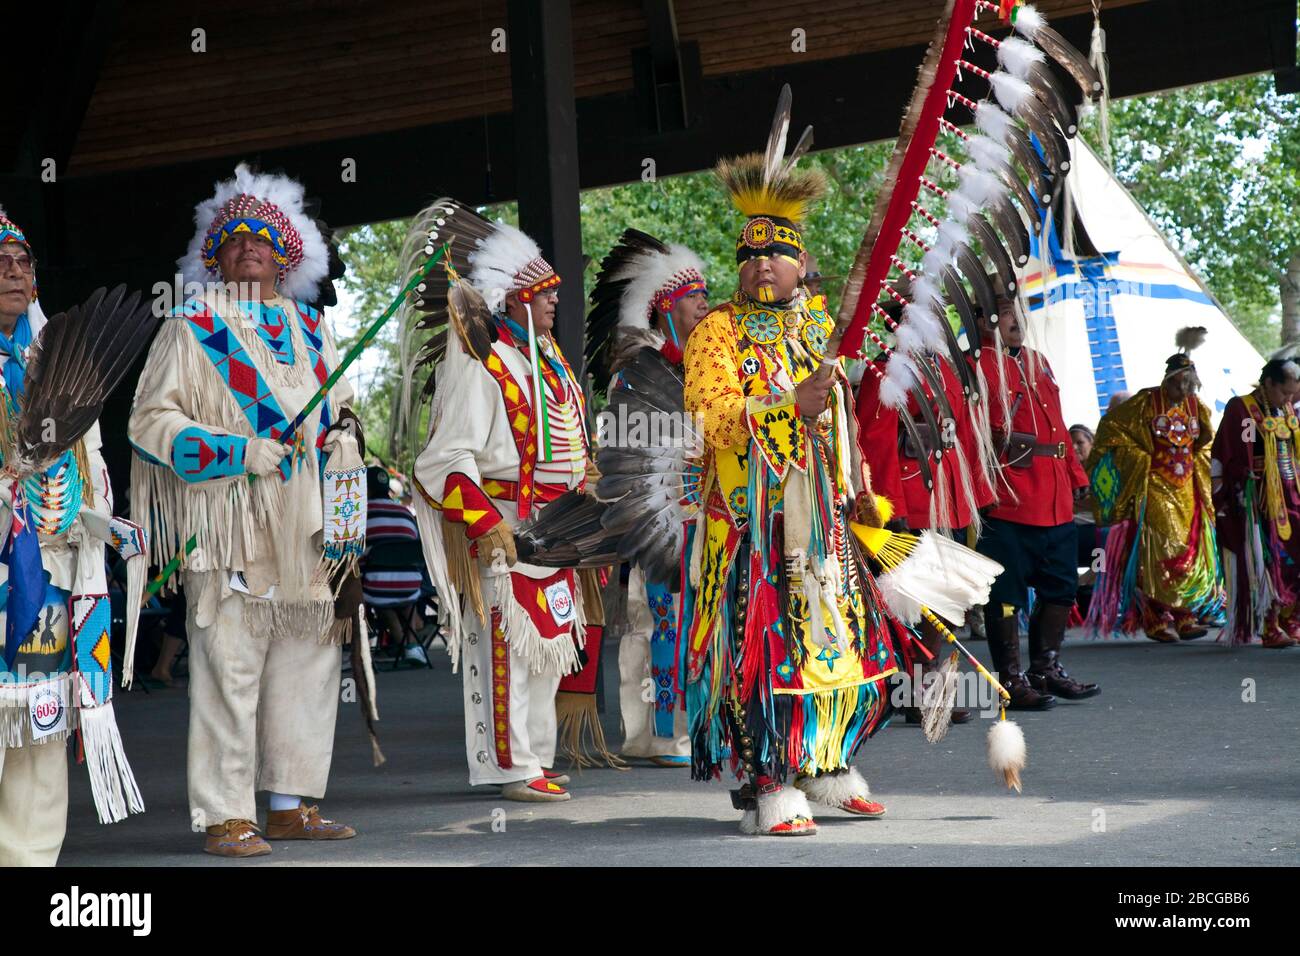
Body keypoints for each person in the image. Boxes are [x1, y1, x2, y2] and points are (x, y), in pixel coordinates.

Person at [680, 102, 902, 836]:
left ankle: (829, 765)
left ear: (800, 260)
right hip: (752, 527)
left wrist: (860, 489)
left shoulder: (814, 329)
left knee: (843, 639)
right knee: (763, 649)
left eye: (776, 254)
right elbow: (712, 417)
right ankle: (772, 781)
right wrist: (786, 404)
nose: (763, 265)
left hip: (824, 520)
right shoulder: (716, 331)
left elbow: (841, 418)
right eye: (750, 255)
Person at [129, 165, 363, 857]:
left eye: (265, 237)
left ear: (288, 255)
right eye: (235, 237)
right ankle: (226, 814)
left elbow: (342, 414)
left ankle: (290, 803)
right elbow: (149, 423)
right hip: (232, 528)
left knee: (309, 666)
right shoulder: (189, 328)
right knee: (230, 669)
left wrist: (346, 438)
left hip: (309, 526)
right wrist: (236, 452)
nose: (250, 244)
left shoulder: (314, 332)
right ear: (215, 253)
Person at [411, 202, 595, 802]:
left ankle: (537, 755)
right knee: (507, 648)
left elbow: (567, 438)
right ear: (514, 298)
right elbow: (443, 459)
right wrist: (486, 523)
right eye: (543, 293)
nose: (552, 303)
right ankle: (509, 765)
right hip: (505, 524)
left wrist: (586, 473)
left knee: (546, 646)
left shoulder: (553, 360)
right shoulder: (479, 361)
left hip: (557, 525)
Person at [0, 205, 146, 865]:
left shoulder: (54, 361)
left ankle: (30, 861)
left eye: (23, 262)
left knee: (36, 724)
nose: (13, 271)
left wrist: (100, 516)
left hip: (51, 577)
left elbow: (90, 463)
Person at [585, 228, 710, 767]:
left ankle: (674, 730)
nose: (705, 306)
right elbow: (622, 447)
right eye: (694, 299)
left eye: (706, 296)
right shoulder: (636, 373)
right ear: (665, 308)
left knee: (689, 618)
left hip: (702, 511)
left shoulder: (706, 363)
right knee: (654, 619)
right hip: (656, 513)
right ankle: (659, 735)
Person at [855, 293, 994, 725]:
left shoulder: (946, 370)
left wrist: (970, 496)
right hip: (907, 500)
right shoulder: (884, 369)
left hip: (945, 501)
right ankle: (909, 691)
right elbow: (872, 438)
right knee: (907, 600)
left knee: (943, 599)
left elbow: (966, 435)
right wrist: (886, 503)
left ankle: (935, 690)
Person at [970, 291, 1099, 708]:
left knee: (1061, 587)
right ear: (986, 319)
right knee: (1005, 595)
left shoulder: (1037, 360)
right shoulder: (976, 364)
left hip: (1055, 494)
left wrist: (1076, 473)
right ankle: (1010, 679)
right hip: (1008, 494)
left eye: (1019, 313)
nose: (1016, 321)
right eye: (1006, 313)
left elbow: (1058, 424)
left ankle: (1046, 668)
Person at [1086, 342, 1221, 642]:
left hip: (1187, 490)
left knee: (1188, 548)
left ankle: (1185, 615)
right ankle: (1154, 616)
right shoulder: (1145, 403)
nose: (1186, 391)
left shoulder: (1197, 407)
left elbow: (1206, 441)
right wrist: (1141, 460)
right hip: (1155, 487)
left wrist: (1200, 470)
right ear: (1169, 379)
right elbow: (1112, 431)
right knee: (1161, 547)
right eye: (1182, 384)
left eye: (1191, 385)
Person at [1211, 357, 1300, 647]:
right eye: (1284, 392)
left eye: (1292, 393)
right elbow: (1229, 453)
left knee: (1294, 557)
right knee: (1267, 558)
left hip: (1291, 495)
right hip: (1258, 498)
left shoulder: (1285, 409)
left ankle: (1291, 617)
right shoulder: (1242, 408)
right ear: (1268, 383)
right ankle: (1269, 624)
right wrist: (1243, 484)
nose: (1289, 399)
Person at [362, 465, 430, 664]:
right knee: (396, 586)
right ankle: (412, 646)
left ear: (366, 489)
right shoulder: (405, 513)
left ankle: (403, 646)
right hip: (410, 586)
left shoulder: (361, 514)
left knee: (375, 586)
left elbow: (357, 558)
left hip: (376, 587)